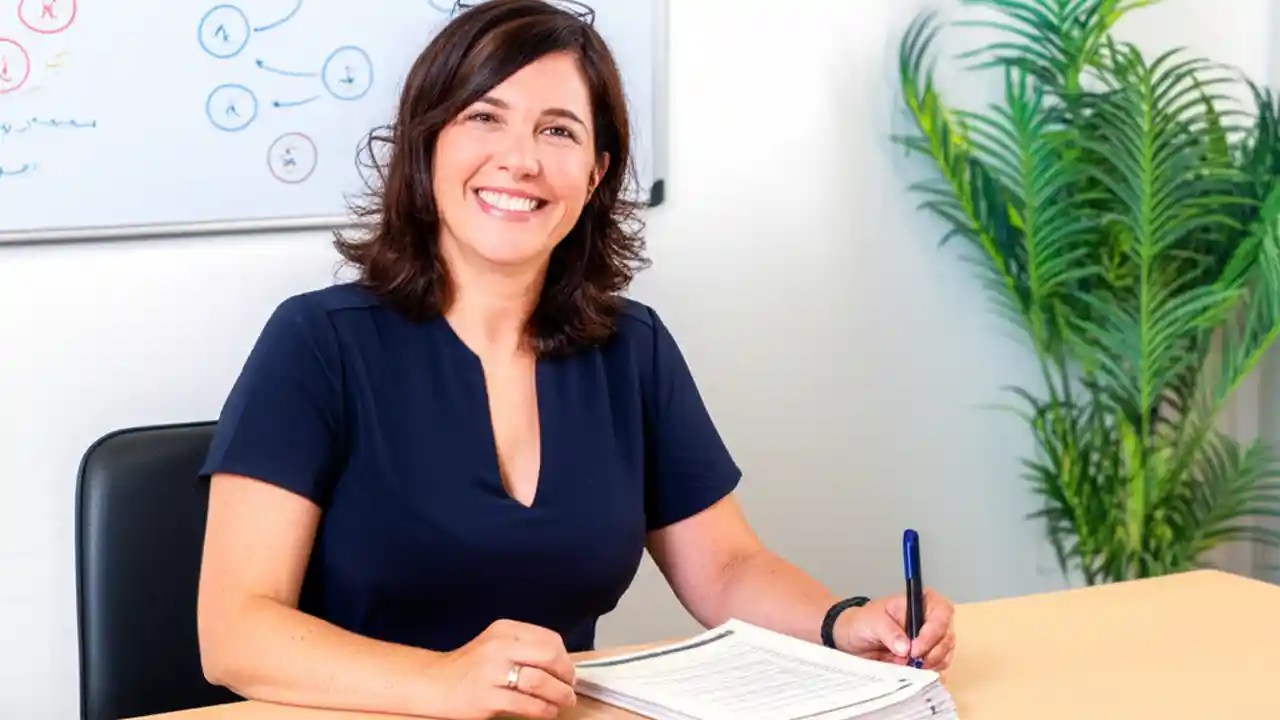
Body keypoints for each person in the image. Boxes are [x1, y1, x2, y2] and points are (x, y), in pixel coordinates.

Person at [195, 1, 958, 718]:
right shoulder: (317, 343)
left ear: (595, 174)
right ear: (428, 146)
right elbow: (233, 633)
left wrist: (843, 623)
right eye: (484, 116)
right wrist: (443, 681)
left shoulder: (632, 348)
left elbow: (725, 568)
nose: (519, 160)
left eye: (558, 131)